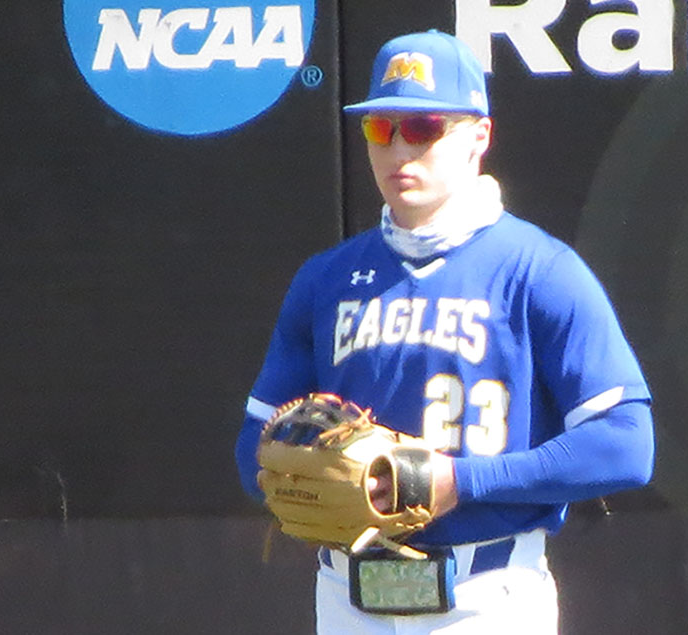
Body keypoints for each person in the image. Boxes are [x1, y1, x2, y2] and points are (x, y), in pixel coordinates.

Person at [235, 29, 654, 634]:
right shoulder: (325, 281)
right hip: (348, 595)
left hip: (487, 595)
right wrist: (305, 487)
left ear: (478, 136)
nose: (401, 149)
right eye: (382, 129)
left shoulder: (540, 271)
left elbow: (626, 443)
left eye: (425, 126)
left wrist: (462, 481)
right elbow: (253, 448)